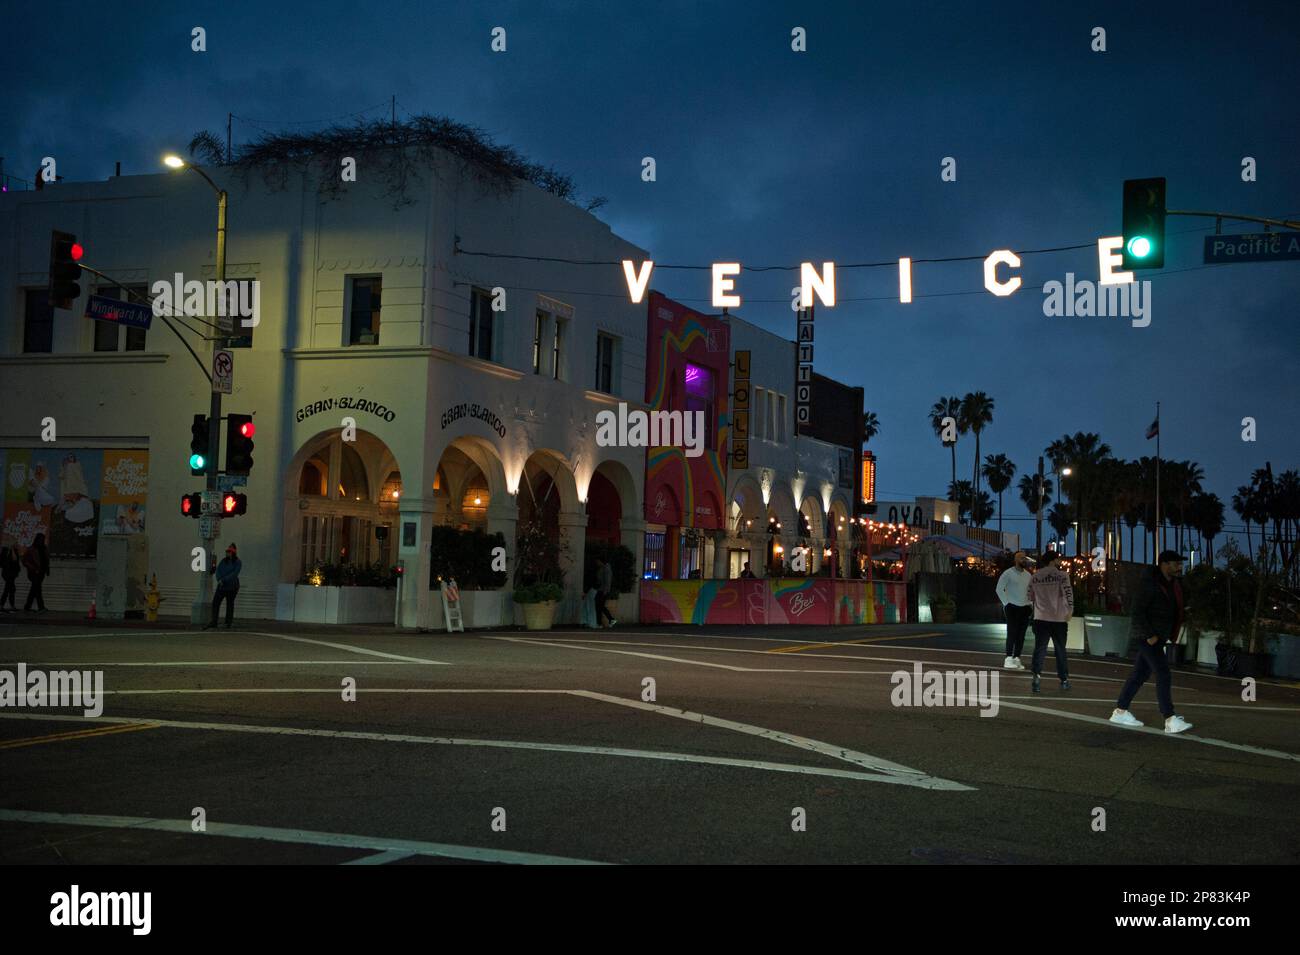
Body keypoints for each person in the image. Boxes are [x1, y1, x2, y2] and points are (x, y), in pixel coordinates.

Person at [1111, 551, 1193, 734]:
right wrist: (1150, 635)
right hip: (1147, 637)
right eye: (1176, 563)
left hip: (1159, 636)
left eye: (1180, 564)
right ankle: (1170, 719)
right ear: (1164, 564)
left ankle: (1120, 711)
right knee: (1163, 673)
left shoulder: (1173, 584)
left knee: (1140, 674)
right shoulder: (1149, 584)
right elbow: (1137, 611)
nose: (1180, 567)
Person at [1026, 550, 1072, 692]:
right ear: (1053, 561)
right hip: (1058, 618)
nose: (1059, 562)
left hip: (1041, 617)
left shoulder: (1035, 576)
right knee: (1060, 649)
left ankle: (1036, 676)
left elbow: (1029, 596)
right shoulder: (1062, 576)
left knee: (1040, 648)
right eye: (1057, 559)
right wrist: (1070, 610)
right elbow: (1068, 593)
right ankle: (1063, 679)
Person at [995, 550, 1034, 669]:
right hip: (1012, 607)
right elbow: (999, 589)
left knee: (1021, 635)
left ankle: (1017, 658)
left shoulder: (1028, 575)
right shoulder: (1008, 573)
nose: (1024, 560)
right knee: (1012, 633)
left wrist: (1031, 604)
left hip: (1025, 608)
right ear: (1015, 560)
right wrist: (1006, 603)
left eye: (1024, 558)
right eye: (1021, 558)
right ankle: (1008, 658)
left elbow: (1031, 591)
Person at [206, 543, 241, 629]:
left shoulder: (237, 562)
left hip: (232, 587)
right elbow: (218, 570)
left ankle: (228, 622)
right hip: (222, 586)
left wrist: (224, 579)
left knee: (230, 604)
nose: (227, 553)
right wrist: (219, 580)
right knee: (215, 603)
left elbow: (234, 574)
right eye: (227, 551)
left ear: (233, 552)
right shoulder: (223, 561)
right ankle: (214, 621)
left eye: (229, 551)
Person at [22, 533, 50, 612]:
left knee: (34, 589)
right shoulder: (31, 549)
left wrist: (47, 569)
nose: (42, 541)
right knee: (38, 589)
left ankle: (27, 606)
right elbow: (24, 561)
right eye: (40, 539)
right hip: (34, 573)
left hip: (41, 572)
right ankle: (41, 607)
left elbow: (46, 560)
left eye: (43, 539)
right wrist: (33, 568)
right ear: (37, 539)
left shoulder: (44, 548)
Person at [594, 557, 617, 629]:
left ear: (601, 561)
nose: (597, 563)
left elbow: (607, 580)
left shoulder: (606, 568)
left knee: (599, 606)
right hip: (601, 590)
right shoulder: (603, 568)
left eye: (598, 561)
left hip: (602, 590)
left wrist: (605, 591)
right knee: (600, 606)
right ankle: (608, 620)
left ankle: (603, 622)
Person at [0, 545, 20, 612]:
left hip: (12, 573)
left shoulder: (14, 550)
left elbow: (16, 561)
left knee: (10, 589)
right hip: (7, 573)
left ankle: (5, 605)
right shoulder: (5, 550)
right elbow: (2, 562)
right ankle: (6, 605)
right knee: (9, 589)